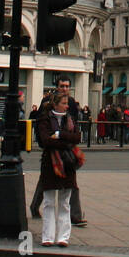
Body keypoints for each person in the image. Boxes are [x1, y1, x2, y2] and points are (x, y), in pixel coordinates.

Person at [29, 75, 87, 226]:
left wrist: (68, 139)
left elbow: (74, 125)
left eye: (67, 86)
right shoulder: (47, 102)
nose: (65, 89)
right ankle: (35, 206)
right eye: (62, 86)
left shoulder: (72, 103)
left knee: (71, 182)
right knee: (45, 180)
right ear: (57, 87)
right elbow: (41, 124)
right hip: (52, 148)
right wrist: (44, 142)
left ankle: (76, 216)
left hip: (66, 148)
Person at [36, 91, 82, 247]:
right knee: (49, 202)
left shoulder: (70, 118)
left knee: (64, 203)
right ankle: (47, 237)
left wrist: (59, 134)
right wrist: (65, 140)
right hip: (51, 164)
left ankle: (63, 237)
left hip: (67, 165)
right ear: (55, 104)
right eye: (63, 103)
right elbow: (45, 141)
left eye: (67, 103)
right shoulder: (44, 118)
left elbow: (77, 138)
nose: (66, 106)